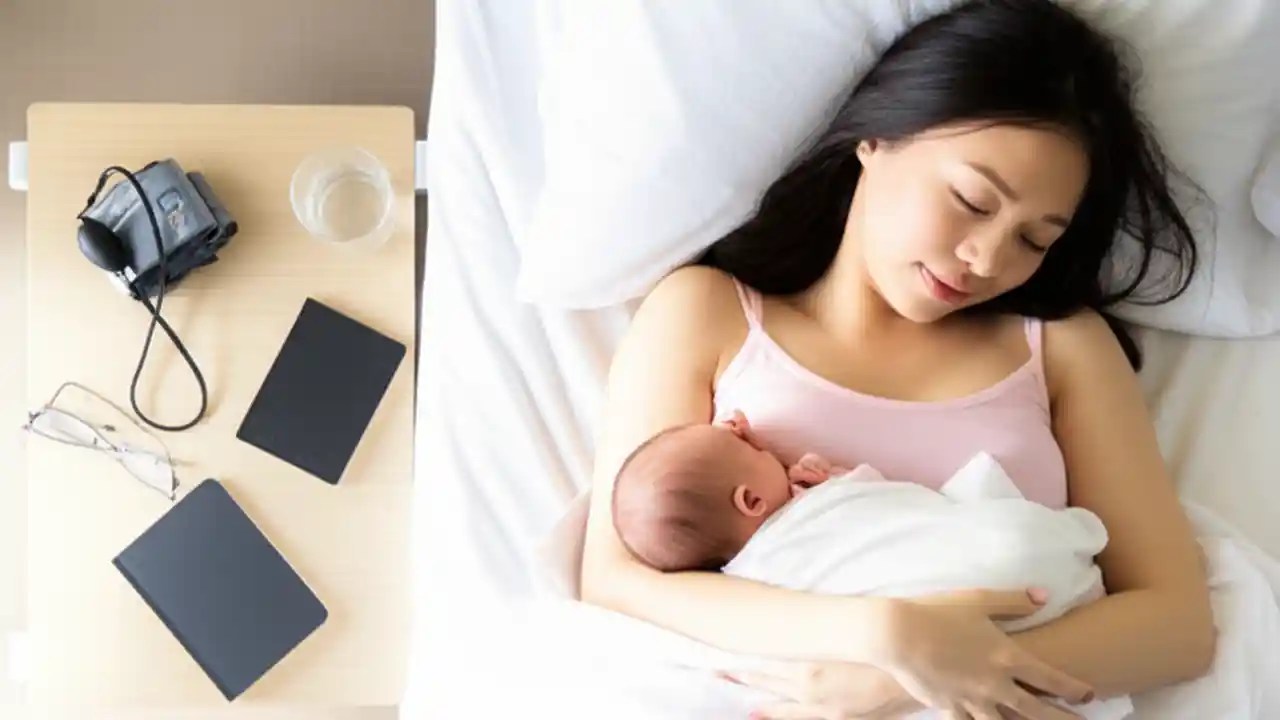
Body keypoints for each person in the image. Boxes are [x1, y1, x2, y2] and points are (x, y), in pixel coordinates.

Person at [577, 1, 1215, 719]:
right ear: (876, 138)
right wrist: (883, 633)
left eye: (1034, 240)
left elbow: (1178, 626)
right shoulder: (707, 311)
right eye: (973, 200)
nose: (986, 259)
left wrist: (895, 682)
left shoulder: (1061, 346)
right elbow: (617, 578)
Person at [611, 410, 845, 573]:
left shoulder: (753, 573)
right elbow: (855, 502)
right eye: (754, 449)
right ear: (752, 501)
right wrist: (829, 481)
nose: (761, 446)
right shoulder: (786, 545)